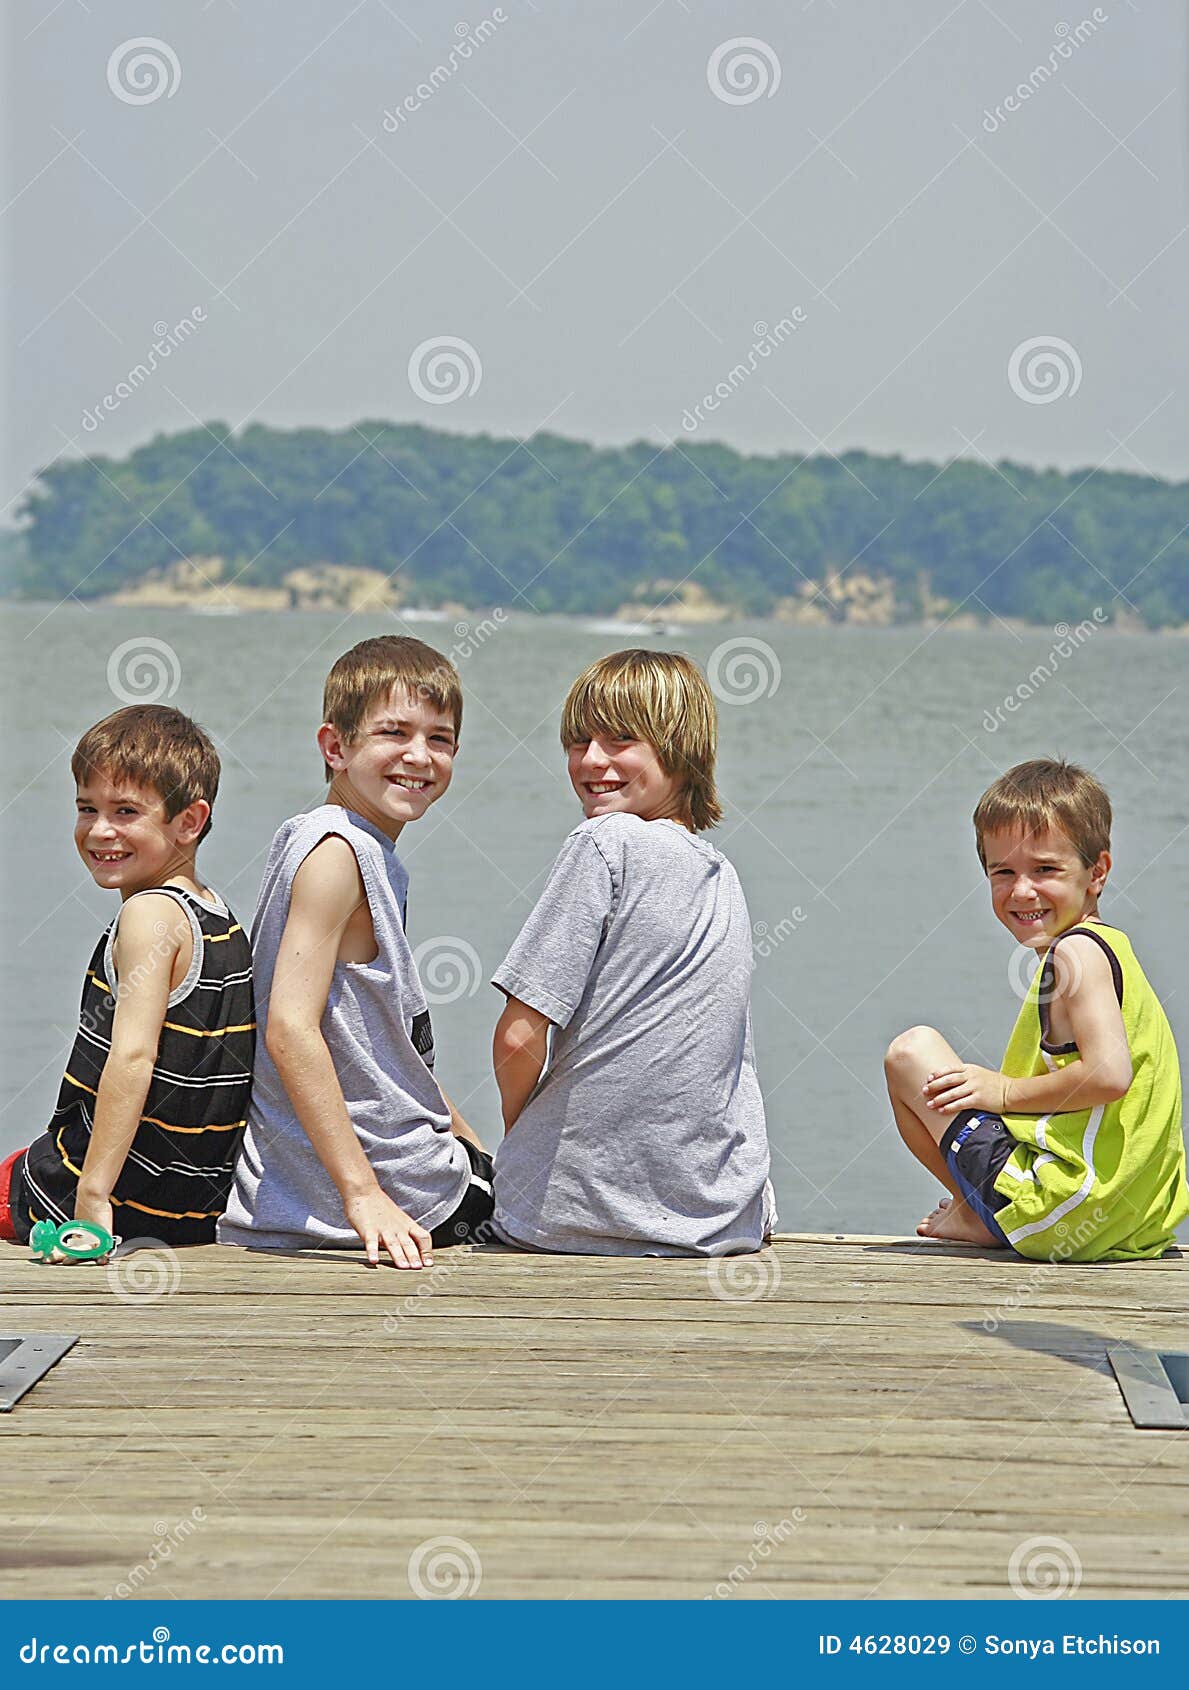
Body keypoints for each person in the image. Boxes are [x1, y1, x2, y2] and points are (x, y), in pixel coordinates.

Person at [490, 648, 776, 1256]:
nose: (592, 761)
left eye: (621, 740)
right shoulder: (722, 874)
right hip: (717, 1219)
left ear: (680, 750)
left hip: (570, 1218)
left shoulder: (603, 841)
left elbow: (519, 1038)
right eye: (578, 741)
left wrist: (523, 1145)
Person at [218, 635, 492, 1268]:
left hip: (378, 1166)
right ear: (335, 747)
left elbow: (374, 1040)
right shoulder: (340, 856)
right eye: (393, 734)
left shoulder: (331, 840)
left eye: (441, 739)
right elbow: (289, 1029)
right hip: (382, 1187)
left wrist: (460, 1132)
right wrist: (363, 1195)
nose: (419, 757)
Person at [885, 758, 1187, 1261]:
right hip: (1137, 1221)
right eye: (1002, 872)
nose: (1022, 890)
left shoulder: (1075, 953)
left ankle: (982, 1213)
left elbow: (1111, 1075)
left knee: (909, 1054)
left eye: (1045, 869)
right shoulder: (1111, 948)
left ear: (1098, 872)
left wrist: (1003, 1091)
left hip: (1065, 1212)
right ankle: (988, 1211)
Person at [0, 705, 254, 1249]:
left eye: (126, 811)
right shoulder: (217, 916)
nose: (100, 830)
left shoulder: (149, 916)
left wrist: (91, 1200)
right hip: (191, 1204)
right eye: (87, 808)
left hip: (98, 1193)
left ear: (189, 821)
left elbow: (134, 1057)